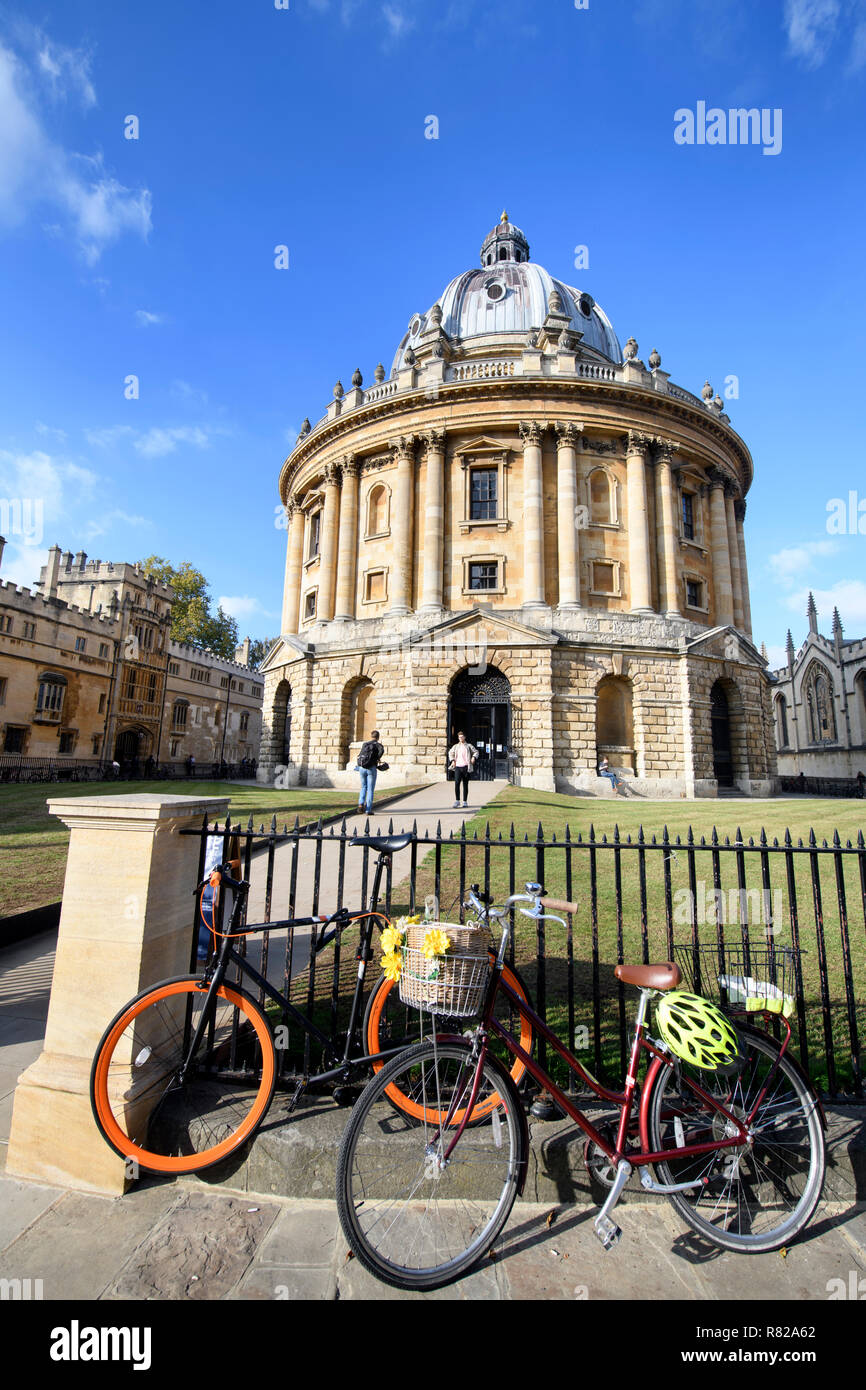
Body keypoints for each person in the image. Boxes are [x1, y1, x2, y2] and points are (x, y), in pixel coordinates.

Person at [356, 730, 384, 815]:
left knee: (363, 787)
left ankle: (360, 804)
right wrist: (377, 759)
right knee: (370, 789)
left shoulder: (365, 744)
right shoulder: (379, 745)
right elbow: (381, 753)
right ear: (378, 737)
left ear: (371, 736)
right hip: (371, 768)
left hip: (362, 767)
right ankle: (368, 810)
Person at [448, 731, 478, 808]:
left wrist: (473, 757)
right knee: (457, 784)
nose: (460, 738)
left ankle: (465, 802)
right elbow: (450, 753)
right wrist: (453, 760)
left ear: (464, 737)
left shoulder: (469, 746)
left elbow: (476, 752)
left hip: (465, 767)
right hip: (458, 767)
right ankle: (457, 801)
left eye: (462, 737)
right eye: (459, 737)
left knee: (465, 785)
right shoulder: (455, 746)